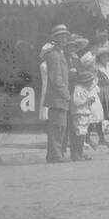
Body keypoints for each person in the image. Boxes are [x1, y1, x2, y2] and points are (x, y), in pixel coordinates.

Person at [43, 24, 71, 163]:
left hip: (60, 98)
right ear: (55, 39)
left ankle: (54, 154)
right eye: (61, 36)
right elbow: (56, 80)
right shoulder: (54, 55)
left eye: (65, 36)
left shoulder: (60, 54)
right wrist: (67, 94)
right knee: (57, 127)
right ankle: (55, 155)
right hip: (57, 98)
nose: (64, 39)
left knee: (60, 126)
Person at [68, 37, 98, 161]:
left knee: (82, 131)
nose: (74, 49)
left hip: (80, 91)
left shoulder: (76, 59)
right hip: (73, 90)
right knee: (76, 131)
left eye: (75, 47)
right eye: (71, 46)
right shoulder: (66, 58)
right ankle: (76, 153)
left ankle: (80, 153)